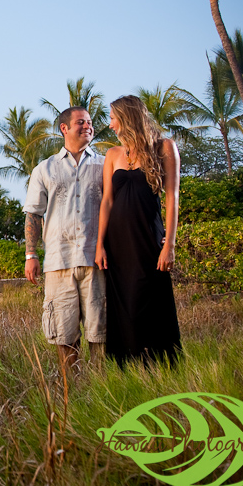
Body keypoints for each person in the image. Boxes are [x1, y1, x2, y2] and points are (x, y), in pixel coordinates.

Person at [95, 95, 182, 366]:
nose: (110, 125)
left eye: (113, 118)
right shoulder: (113, 154)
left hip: (148, 237)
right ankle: (127, 365)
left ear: (127, 117)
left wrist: (169, 245)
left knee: (151, 297)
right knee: (124, 303)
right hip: (117, 242)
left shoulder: (164, 147)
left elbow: (172, 197)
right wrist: (100, 244)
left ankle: (160, 363)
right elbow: (107, 201)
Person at [24, 107, 105, 375]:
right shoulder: (45, 169)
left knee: (100, 331)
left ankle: (101, 385)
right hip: (58, 261)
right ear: (64, 128)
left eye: (90, 122)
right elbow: (33, 214)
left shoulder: (105, 165)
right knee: (63, 333)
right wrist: (31, 255)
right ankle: (72, 386)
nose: (88, 127)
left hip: (97, 261)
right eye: (81, 122)